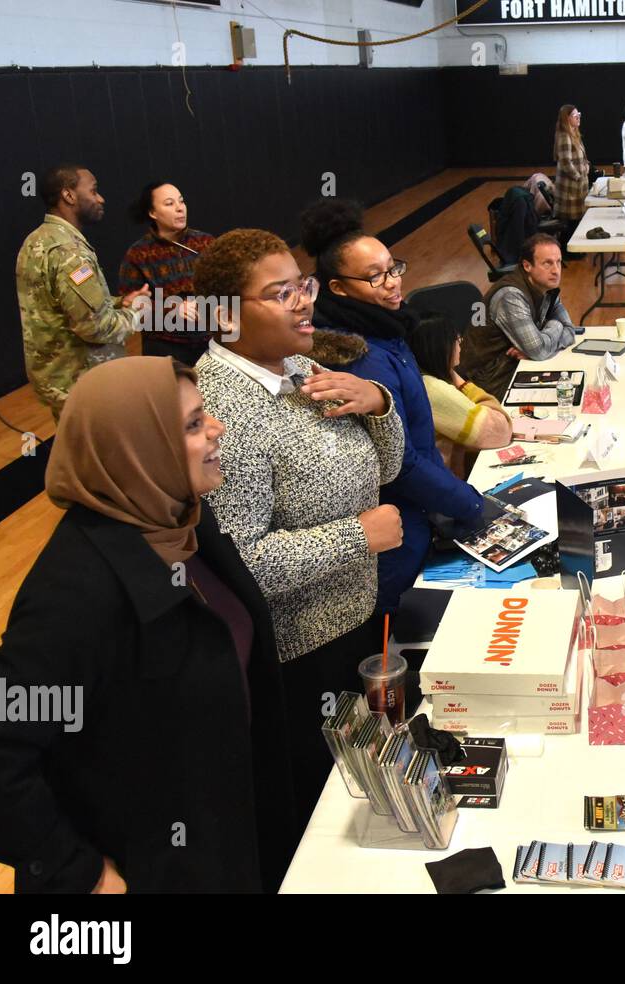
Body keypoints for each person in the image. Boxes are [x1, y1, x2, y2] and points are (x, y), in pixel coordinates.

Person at [0, 357, 295, 892]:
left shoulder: (183, 521)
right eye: (194, 424)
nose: (218, 428)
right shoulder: (76, 592)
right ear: (137, 449)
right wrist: (78, 872)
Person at [192, 228, 405, 827]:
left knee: (365, 798)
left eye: (303, 286)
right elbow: (242, 563)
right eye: (280, 293)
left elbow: (384, 469)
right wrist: (357, 537)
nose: (303, 302)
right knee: (322, 820)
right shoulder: (225, 410)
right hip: (298, 655)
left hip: (353, 620)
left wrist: (377, 402)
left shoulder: (297, 367)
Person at [301, 199, 486, 612]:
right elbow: (399, 463)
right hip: (398, 535)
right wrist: (468, 504)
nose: (392, 283)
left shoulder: (384, 327)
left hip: (418, 513)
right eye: (374, 276)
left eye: (392, 268)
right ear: (337, 287)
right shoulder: (361, 356)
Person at [15, 163, 148, 420]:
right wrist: (136, 312)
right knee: (107, 458)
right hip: (87, 384)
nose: (101, 198)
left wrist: (120, 302)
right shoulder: (70, 252)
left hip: (60, 382)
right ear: (69, 195)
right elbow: (95, 327)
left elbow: (61, 305)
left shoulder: (35, 241)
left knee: (81, 455)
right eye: (94, 190)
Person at [459, 233, 577, 400]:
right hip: (489, 381)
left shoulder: (546, 287)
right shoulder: (510, 296)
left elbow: (570, 331)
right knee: (563, 394)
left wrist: (541, 342)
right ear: (527, 266)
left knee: (573, 384)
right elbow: (540, 350)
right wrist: (555, 326)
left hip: (516, 367)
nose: (556, 271)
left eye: (558, 262)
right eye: (547, 263)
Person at [117, 181, 217, 366]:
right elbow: (130, 305)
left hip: (210, 338)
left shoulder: (205, 242)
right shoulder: (138, 254)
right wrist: (173, 309)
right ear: (152, 213)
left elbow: (227, 285)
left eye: (181, 201)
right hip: (166, 344)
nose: (180, 209)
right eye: (170, 204)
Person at [403, 310, 512, 478]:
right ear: (439, 348)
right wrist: (463, 384)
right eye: (455, 338)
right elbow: (500, 431)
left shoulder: (418, 379)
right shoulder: (433, 389)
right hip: (450, 485)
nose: (460, 342)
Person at [553, 104, 590, 229]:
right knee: (570, 227)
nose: (578, 118)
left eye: (579, 115)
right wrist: (579, 176)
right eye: (575, 116)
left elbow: (582, 157)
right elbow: (565, 163)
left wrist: (586, 165)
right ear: (566, 119)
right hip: (570, 191)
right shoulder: (565, 136)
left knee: (576, 225)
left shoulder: (574, 134)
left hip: (577, 189)